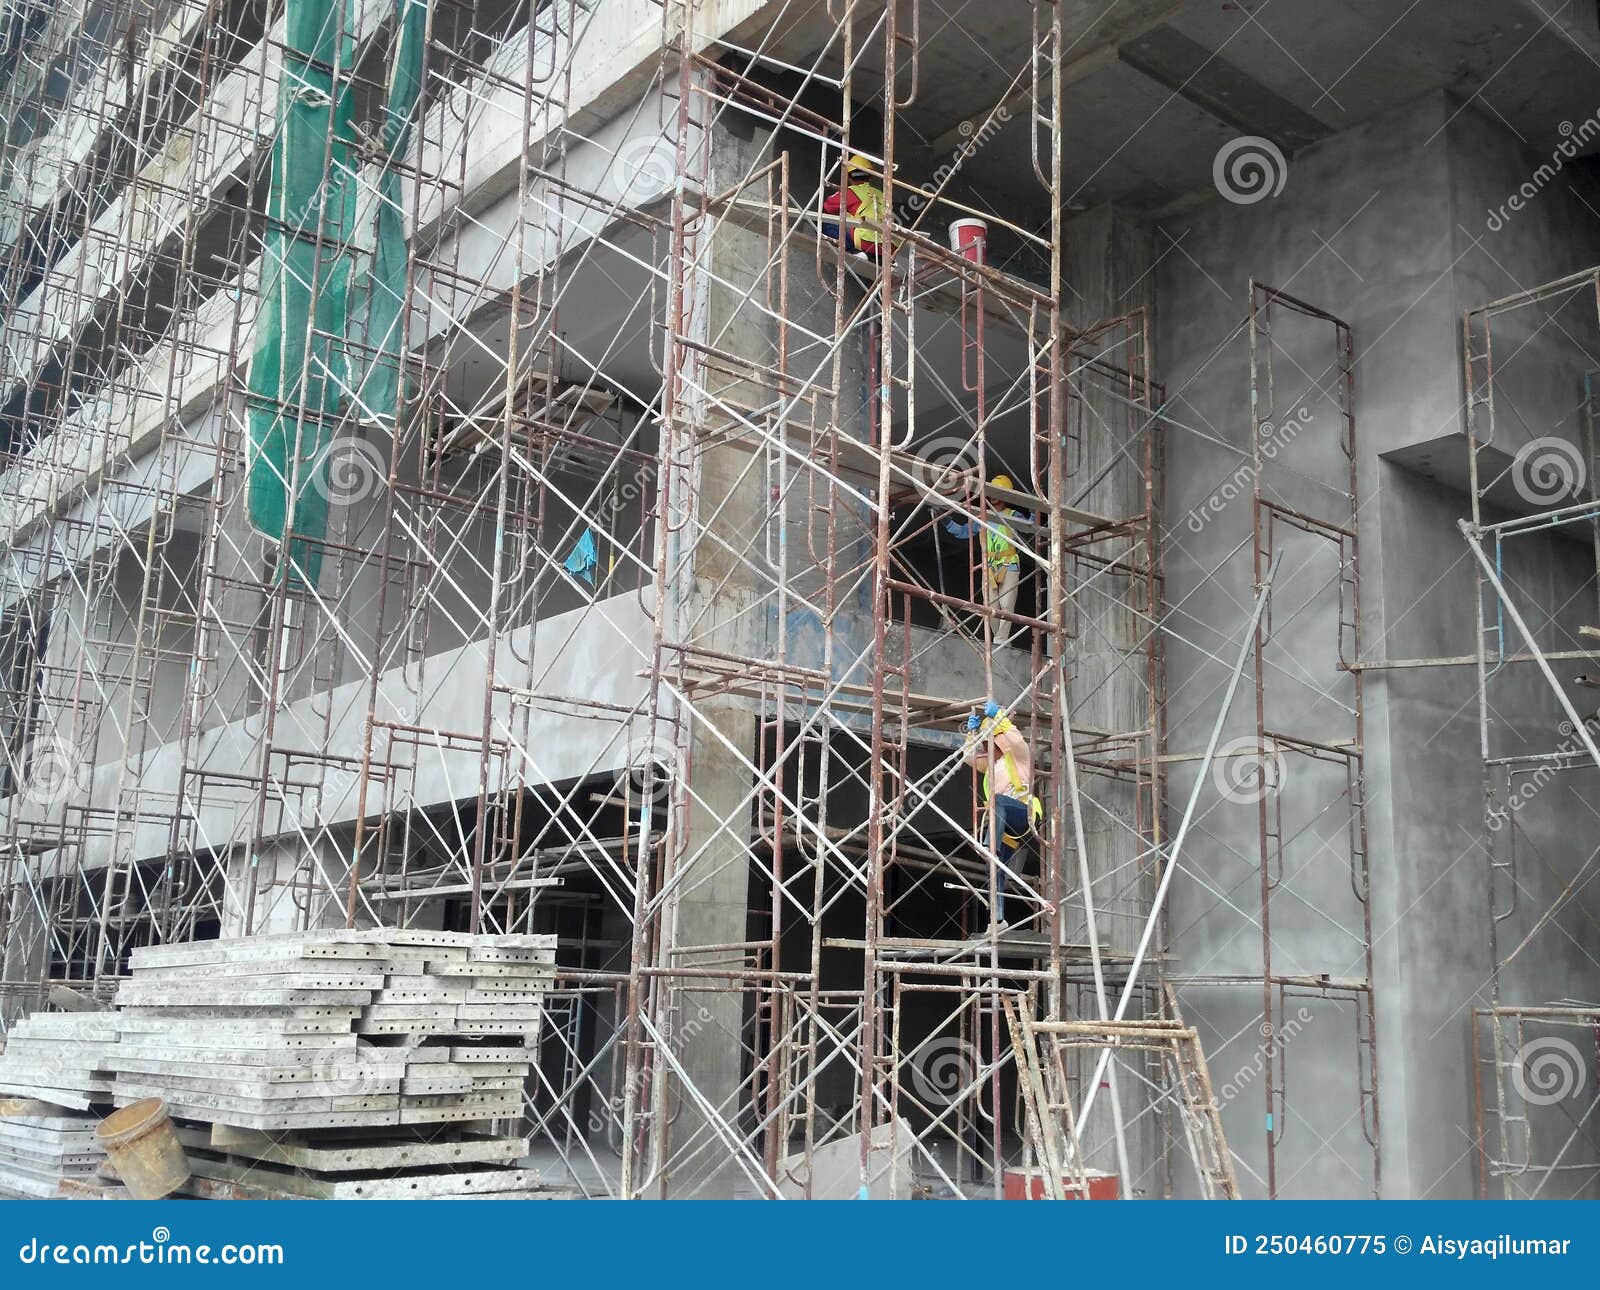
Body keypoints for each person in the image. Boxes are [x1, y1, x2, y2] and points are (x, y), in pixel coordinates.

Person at [962, 700, 1043, 928]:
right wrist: (971, 733)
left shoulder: (1018, 755)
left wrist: (999, 717)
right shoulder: (990, 766)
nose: (986, 747)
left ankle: (991, 846)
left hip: (1025, 817)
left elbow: (1014, 737)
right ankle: (997, 920)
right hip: (1007, 828)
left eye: (989, 741)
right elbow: (969, 757)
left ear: (998, 740)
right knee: (993, 868)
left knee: (997, 801)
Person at [944, 474, 1024, 643]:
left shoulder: (1014, 515)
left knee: (1006, 604)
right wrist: (947, 523)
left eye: (998, 493)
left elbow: (1031, 526)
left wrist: (1035, 513)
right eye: (992, 493)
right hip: (990, 567)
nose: (993, 497)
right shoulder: (983, 518)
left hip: (1008, 564)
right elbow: (964, 531)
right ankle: (998, 638)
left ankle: (1001, 640)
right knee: (990, 607)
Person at [821, 153, 887, 258]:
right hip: (885, 246)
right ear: (870, 177)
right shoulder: (881, 195)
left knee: (823, 221)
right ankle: (881, 260)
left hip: (864, 242)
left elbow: (827, 207)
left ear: (849, 177)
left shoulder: (850, 192)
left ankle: (853, 252)